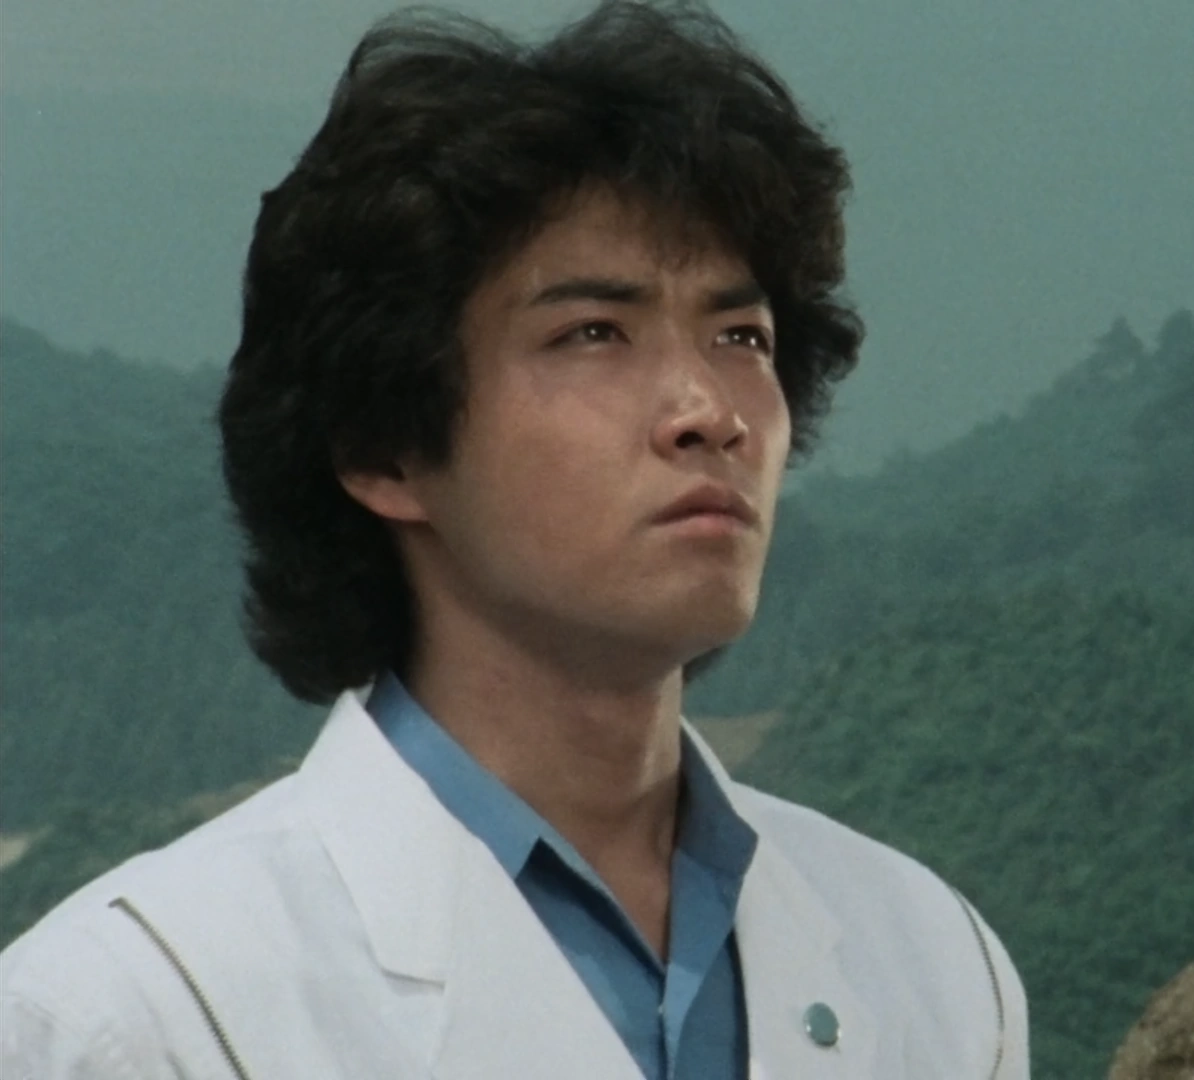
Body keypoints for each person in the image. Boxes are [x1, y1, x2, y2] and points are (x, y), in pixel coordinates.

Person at [0, 2, 1028, 1076]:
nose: (709, 410)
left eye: (740, 335)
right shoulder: (137, 1015)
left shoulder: (936, 969)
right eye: (593, 333)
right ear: (387, 449)